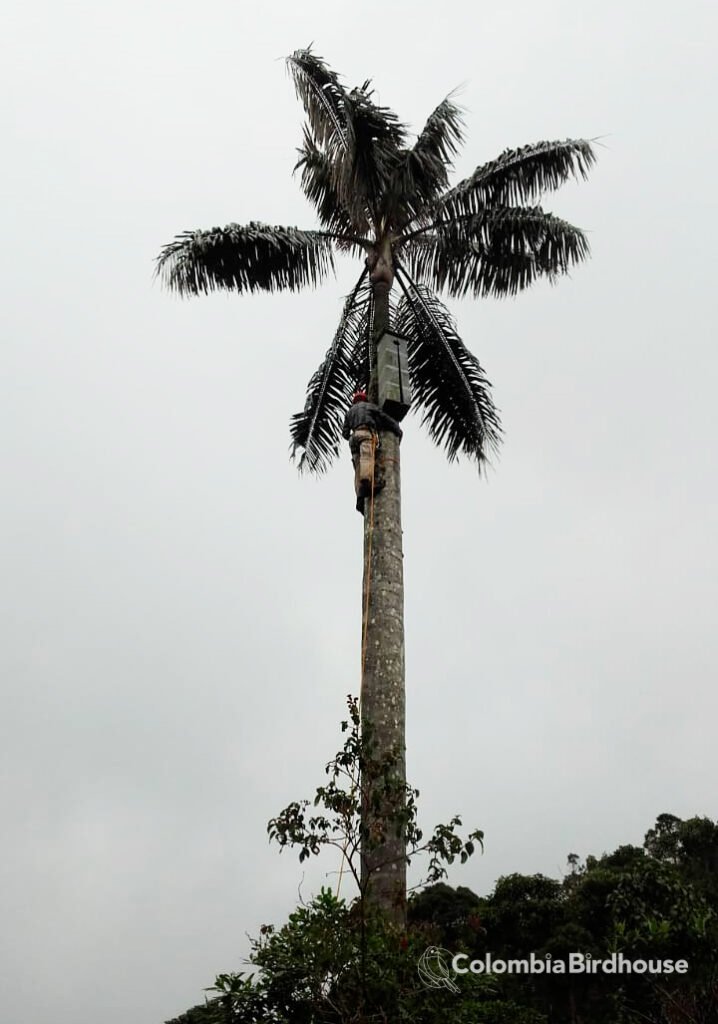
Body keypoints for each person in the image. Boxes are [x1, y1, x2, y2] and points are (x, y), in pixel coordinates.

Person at [342, 391, 402, 511]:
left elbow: (344, 433)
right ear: (364, 399)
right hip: (365, 433)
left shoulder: (349, 412)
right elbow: (384, 417)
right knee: (367, 456)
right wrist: (397, 429)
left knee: (358, 465)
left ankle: (360, 496)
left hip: (353, 438)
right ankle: (367, 484)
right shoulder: (369, 406)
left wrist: (353, 435)